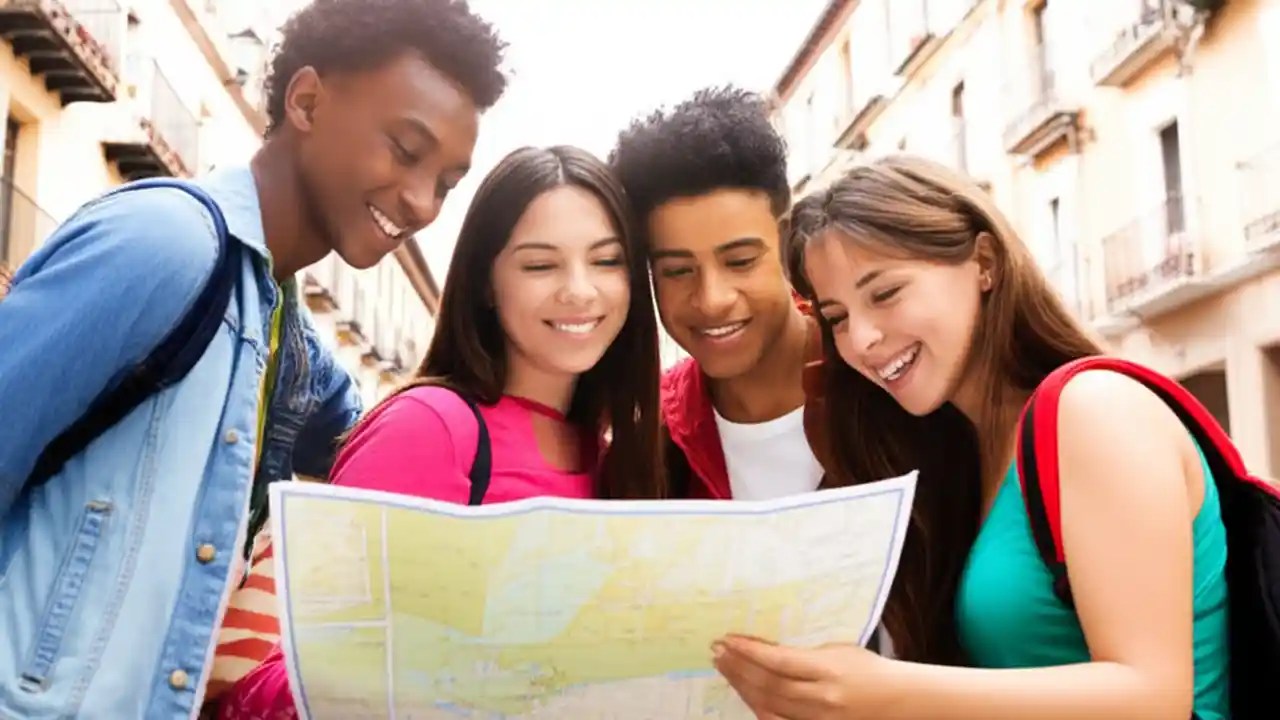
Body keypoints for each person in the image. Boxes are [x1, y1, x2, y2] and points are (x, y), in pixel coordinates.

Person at [0, 0, 507, 716]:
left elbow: (388, 445)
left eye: (447, 183)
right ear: (307, 102)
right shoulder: (167, 243)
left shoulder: (286, 339)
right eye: (404, 149)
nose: (424, 203)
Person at [711, 155, 1230, 719]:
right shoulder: (963, 452)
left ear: (984, 263)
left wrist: (884, 691)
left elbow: (1154, 697)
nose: (860, 339)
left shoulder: (1093, 410)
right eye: (837, 316)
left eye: (885, 293)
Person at [217, 144, 667, 717]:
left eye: (606, 261)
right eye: (540, 265)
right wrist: (454, 670)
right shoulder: (430, 428)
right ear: (486, 284)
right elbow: (283, 683)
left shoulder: (617, 459)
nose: (579, 290)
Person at [609, 85, 830, 502]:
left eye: (740, 261)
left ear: (785, 242)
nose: (712, 299)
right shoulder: (646, 445)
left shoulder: (881, 381)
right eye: (678, 271)